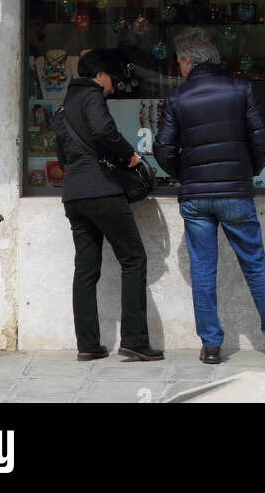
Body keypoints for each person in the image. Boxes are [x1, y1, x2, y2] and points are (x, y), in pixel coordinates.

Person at [153, 29, 265, 364]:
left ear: (188, 61)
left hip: (196, 196)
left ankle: (211, 346)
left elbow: (163, 149)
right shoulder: (241, 89)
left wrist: (184, 174)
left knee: (202, 269)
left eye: (179, 62)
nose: (179, 68)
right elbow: (262, 139)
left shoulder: (177, 98)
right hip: (234, 192)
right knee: (255, 264)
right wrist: (249, 171)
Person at [55, 48, 163, 362]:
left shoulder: (62, 109)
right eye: (113, 79)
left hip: (73, 195)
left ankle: (88, 345)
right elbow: (104, 130)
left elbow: (62, 157)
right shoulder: (92, 97)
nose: (114, 86)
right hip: (101, 191)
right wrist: (128, 153)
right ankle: (135, 341)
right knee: (134, 259)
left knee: (86, 270)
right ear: (100, 74)